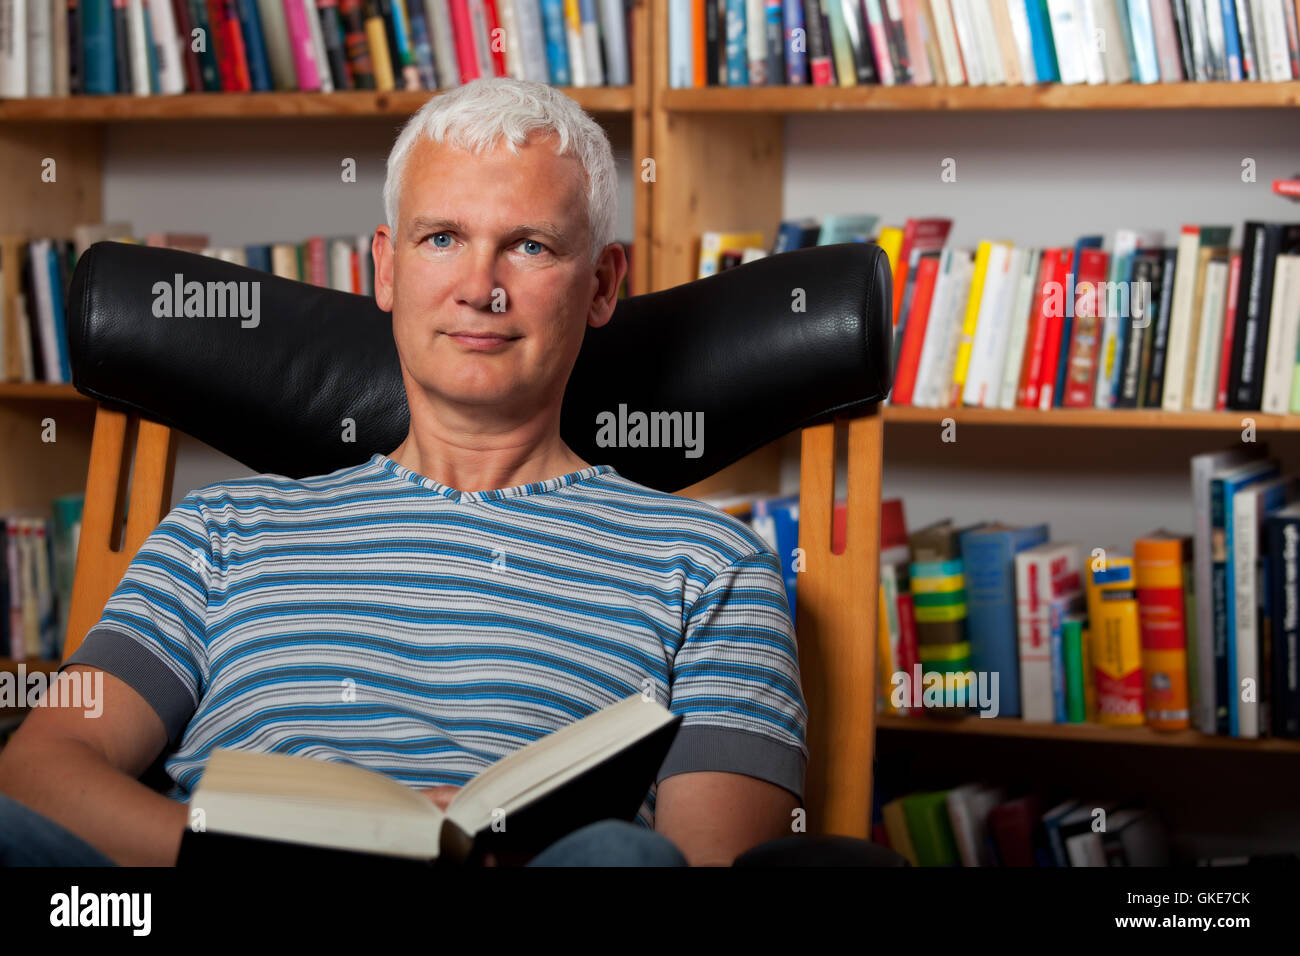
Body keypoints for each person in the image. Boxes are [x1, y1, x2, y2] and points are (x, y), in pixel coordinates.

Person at [0, 78, 809, 867]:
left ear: (600, 286)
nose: (480, 290)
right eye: (443, 238)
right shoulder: (219, 533)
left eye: (529, 246)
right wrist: (239, 854)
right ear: (386, 269)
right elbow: (38, 772)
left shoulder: (710, 565)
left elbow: (710, 860)